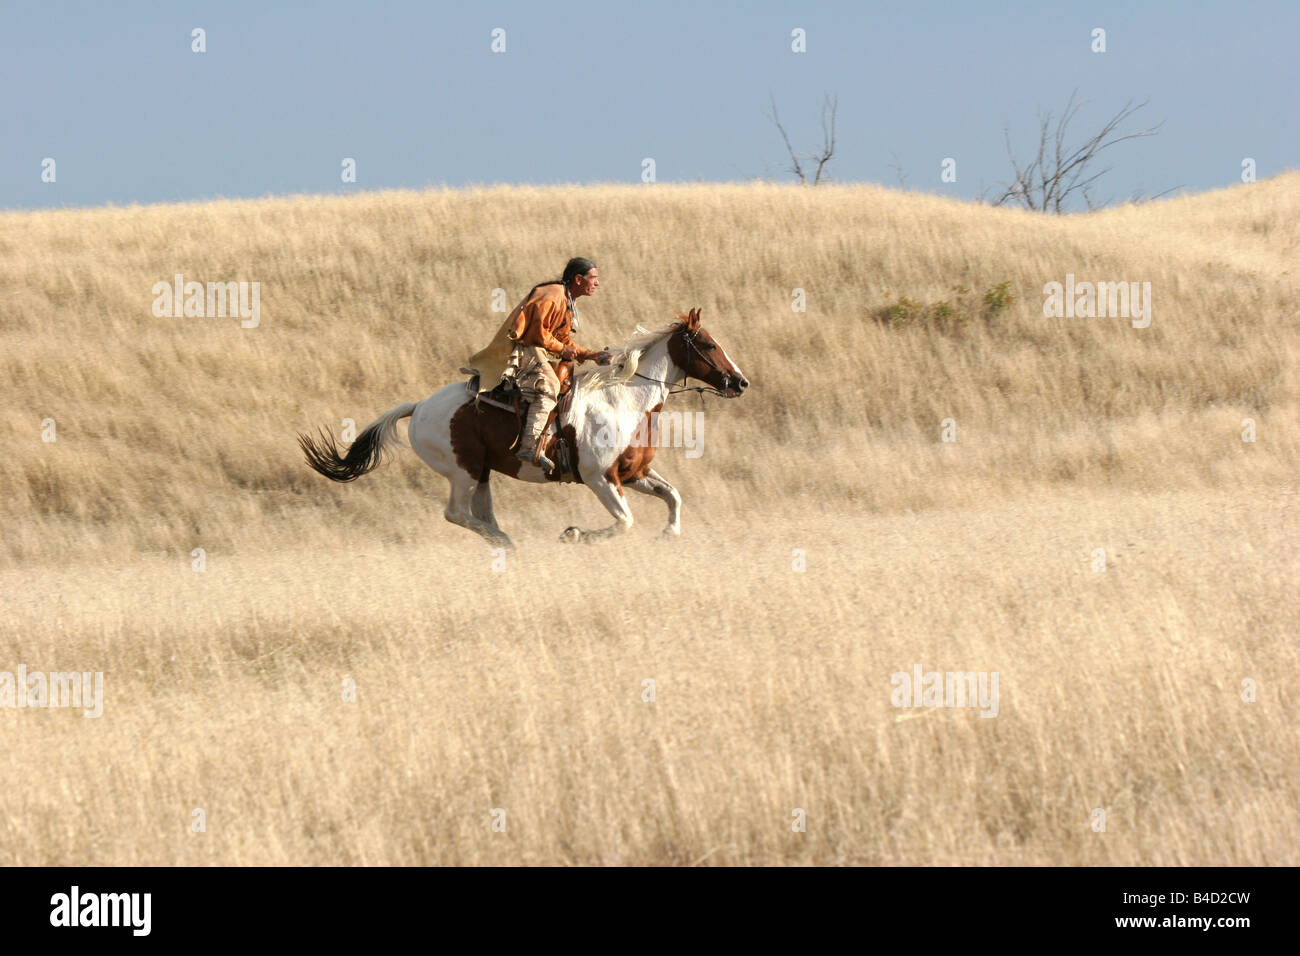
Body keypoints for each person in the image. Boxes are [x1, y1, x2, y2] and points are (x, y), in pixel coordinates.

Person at [465, 257, 611, 474]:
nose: (597, 283)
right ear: (579, 279)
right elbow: (537, 333)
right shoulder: (552, 296)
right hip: (527, 347)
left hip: (540, 347)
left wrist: (590, 354)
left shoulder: (568, 300)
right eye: (594, 278)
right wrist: (562, 350)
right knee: (549, 386)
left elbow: (562, 338)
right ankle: (529, 446)